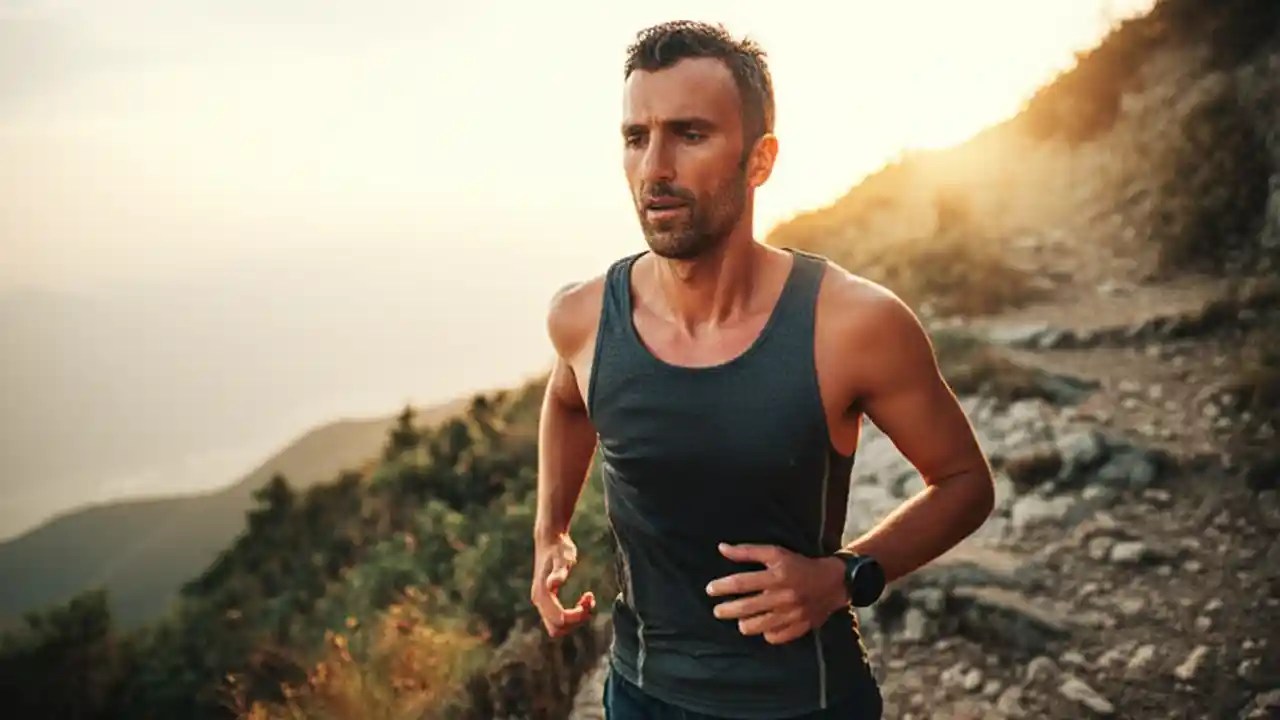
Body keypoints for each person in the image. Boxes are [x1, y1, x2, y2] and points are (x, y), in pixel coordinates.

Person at [530, 20, 995, 720]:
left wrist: (843, 577)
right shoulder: (584, 317)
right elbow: (568, 401)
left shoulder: (854, 325)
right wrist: (550, 530)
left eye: (690, 134)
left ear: (760, 160)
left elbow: (964, 484)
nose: (655, 168)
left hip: (805, 703)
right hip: (639, 696)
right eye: (636, 137)